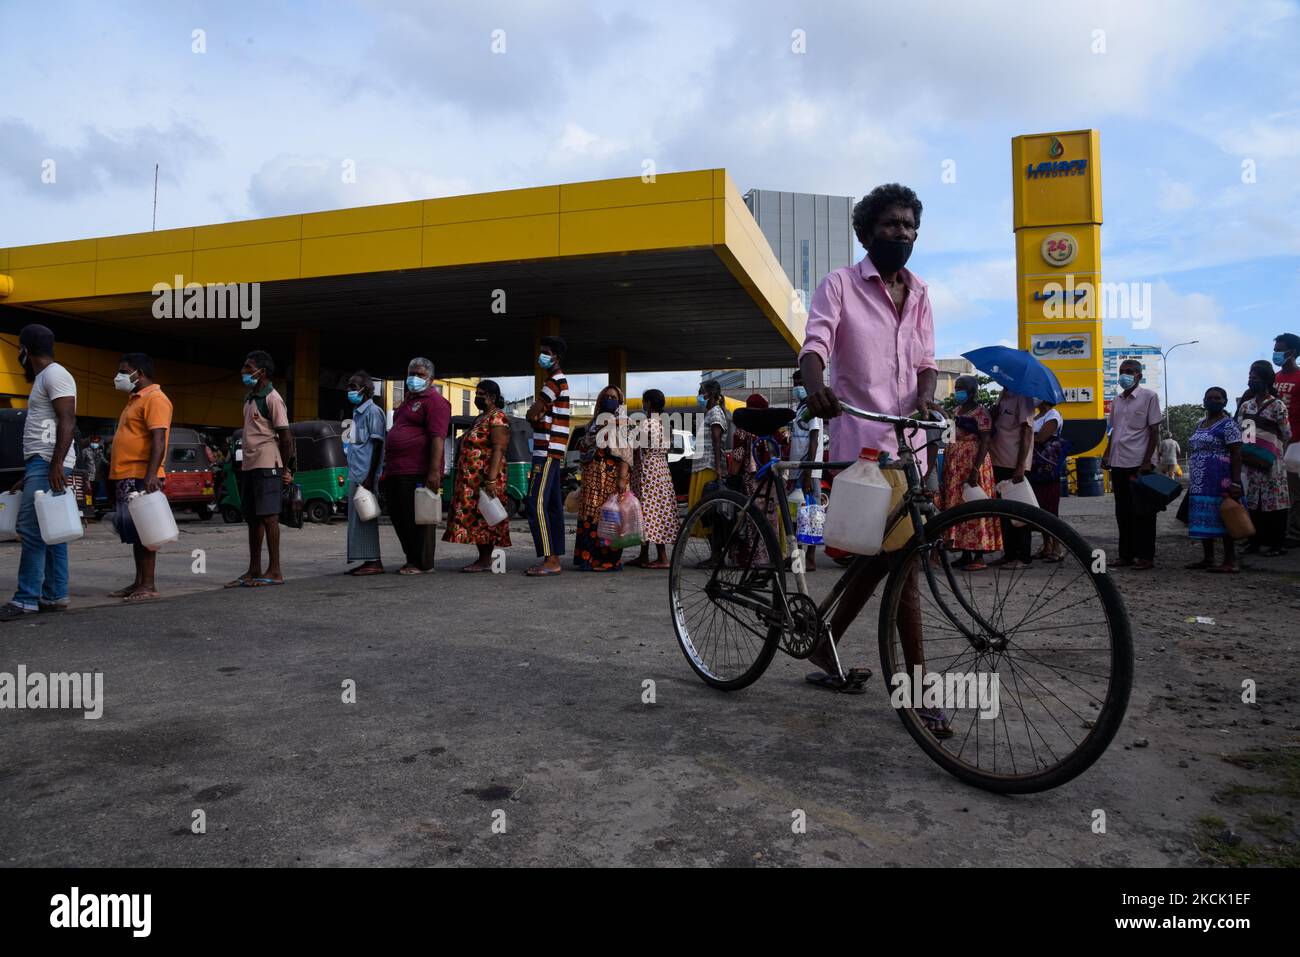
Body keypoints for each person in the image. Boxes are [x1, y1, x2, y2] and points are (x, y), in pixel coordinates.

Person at [798, 183, 944, 728]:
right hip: (861, 443)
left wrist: (926, 398)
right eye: (891, 224)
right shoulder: (839, 285)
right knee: (903, 567)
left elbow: (927, 359)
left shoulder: (922, 292)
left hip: (911, 446)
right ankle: (918, 689)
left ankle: (826, 639)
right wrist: (816, 388)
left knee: (886, 559)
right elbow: (815, 346)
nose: (902, 234)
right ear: (866, 231)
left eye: (909, 225)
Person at [1, 325, 77, 621]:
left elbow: (67, 420)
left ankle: (26, 599)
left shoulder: (55, 375)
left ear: (24, 349)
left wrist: (54, 464)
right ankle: (55, 594)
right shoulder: (46, 378)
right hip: (42, 462)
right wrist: (31, 470)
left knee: (31, 531)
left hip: (48, 462)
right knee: (53, 530)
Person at [106, 354, 173, 602]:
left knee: (147, 531)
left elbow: (159, 438)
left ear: (140, 374)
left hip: (141, 476)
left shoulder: (155, 398)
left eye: (124, 371)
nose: (119, 376)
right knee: (136, 532)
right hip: (128, 474)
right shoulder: (134, 399)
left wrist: (151, 474)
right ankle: (139, 582)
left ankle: (149, 584)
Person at [226, 350, 293, 588]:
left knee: (269, 517)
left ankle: (275, 570)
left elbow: (286, 438)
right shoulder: (249, 398)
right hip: (250, 465)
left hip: (267, 464)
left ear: (261, 372)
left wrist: (284, 469)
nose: (243, 371)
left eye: (248, 367)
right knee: (253, 518)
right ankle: (254, 569)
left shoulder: (272, 398)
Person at [382, 357, 448, 574]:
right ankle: (411, 557)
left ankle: (422, 562)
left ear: (431, 379)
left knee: (419, 517)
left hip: (417, 469)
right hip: (397, 470)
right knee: (400, 516)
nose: (414, 378)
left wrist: (433, 470)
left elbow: (437, 438)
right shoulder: (407, 402)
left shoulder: (435, 402)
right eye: (412, 373)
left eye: (420, 375)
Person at [444, 379, 512, 571]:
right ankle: (483, 558)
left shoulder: (497, 418)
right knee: (476, 517)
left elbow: (499, 449)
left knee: (485, 517)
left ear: (491, 397)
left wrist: (491, 479)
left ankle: (485, 559)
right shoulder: (482, 417)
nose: (476, 398)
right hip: (473, 478)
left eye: (480, 394)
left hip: (485, 477)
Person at [1101, 358, 1162, 570]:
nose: (1124, 375)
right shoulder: (1116, 401)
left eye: (1129, 371)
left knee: (1143, 512)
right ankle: (1125, 555)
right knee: (1123, 511)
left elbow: (1154, 432)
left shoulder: (1149, 397)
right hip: (1119, 462)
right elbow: (1113, 431)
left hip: (1139, 463)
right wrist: (1107, 454)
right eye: (1122, 371)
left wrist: (1147, 461)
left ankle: (1145, 556)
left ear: (1139, 375)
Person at [940, 375, 1000, 570]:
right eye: (957, 387)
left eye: (962, 388)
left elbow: (985, 441)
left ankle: (979, 556)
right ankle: (965, 553)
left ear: (972, 391)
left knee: (975, 504)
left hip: (973, 463)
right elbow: (947, 437)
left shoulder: (981, 413)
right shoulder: (955, 411)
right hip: (955, 466)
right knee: (958, 506)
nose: (958, 391)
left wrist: (975, 469)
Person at [523, 336, 570, 577]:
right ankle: (555, 557)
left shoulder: (553, 382)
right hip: (555, 450)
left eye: (545, 352)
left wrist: (535, 415)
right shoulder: (561, 382)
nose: (541, 355)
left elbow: (532, 413)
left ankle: (550, 559)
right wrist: (537, 415)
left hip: (545, 450)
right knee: (552, 506)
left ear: (556, 357)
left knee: (535, 503)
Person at [1235, 360, 1291, 556]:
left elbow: (1286, 433)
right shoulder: (1246, 406)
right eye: (1250, 377)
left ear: (1266, 380)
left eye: (1255, 378)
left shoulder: (1278, 405)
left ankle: (1276, 544)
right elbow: (1243, 432)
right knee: (1252, 502)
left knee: (1274, 503)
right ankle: (1254, 541)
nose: (1251, 381)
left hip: (1272, 462)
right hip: (1250, 462)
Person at [574, 385, 632, 572]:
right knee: (589, 517)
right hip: (592, 480)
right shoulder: (594, 423)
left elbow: (625, 454)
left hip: (611, 479)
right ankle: (588, 559)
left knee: (610, 518)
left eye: (613, 397)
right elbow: (584, 447)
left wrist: (622, 480)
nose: (609, 399)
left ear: (620, 402)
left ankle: (608, 561)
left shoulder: (622, 423)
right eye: (606, 396)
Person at [1186, 387, 1243, 573]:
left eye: (1217, 398)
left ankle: (1230, 560)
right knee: (1204, 517)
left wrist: (1235, 482)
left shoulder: (1229, 425)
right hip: (1200, 480)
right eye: (1209, 398)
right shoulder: (1200, 423)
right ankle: (1208, 558)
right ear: (1204, 401)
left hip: (1220, 478)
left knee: (1224, 516)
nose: (1213, 401)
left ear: (1225, 402)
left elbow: (1236, 453)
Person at [628, 389, 678, 569]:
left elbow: (634, 447)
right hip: (662, 470)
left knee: (649, 513)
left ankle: (662, 558)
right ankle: (644, 555)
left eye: (644, 401)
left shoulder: (647, 424)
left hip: (648, 471)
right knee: (657, 512)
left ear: (648, 403)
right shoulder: (666, 423)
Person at [344, 371, 386, 576]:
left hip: (366, 476)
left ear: (366, 390)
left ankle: (374, 562)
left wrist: (370, 477)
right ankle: (366, 559)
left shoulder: (373, 412)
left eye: (353, 386)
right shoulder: (357, 413)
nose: (349, 390)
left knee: (366, 519)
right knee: (357, 520)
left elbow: (378, 445)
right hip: (357, 473)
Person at [989, 386, 1035, 568]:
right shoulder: (1003, 395)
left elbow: (1027, 432)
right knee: (1005, 514)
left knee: (1019, 513)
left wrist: (1021, 466)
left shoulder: (1023, 396)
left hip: (1013, 464)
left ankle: (1022, 556)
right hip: (998, 461)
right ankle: (1009, 553)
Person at [787, 369, 822, 572]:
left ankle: (810, 557)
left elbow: (815, 440)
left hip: (809, 471)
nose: (797, 386)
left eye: (801, 382)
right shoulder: (800, 408)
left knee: (811, 514)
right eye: (795, 382)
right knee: (796, 515)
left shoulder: (813, 407)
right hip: (797, 468)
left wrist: (808, 473)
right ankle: (796, 557)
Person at [1028, 398, 1065, 561]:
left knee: (1050, 508)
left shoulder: (1053, 415)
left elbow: (1041, 438)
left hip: (1047, 468)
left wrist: (1025, 436)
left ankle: (1058, 547)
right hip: (1034, 466)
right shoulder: (1035, 416)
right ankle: (1047, 546)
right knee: (1039, 507)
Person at [1272, 333, 1300, 547]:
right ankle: (1280, 531)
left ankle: (1294, 533)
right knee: (1279, 491)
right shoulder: (1274, 378)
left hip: (1296, 444)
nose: (1276, 353)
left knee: (1294, 492)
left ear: (1292, 352)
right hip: (1276, 445)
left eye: (1280, 350)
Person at [81, 435, 108, 511]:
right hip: (88, 476)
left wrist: (111, 464)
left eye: (96, 442)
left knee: (96, 492)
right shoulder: (85, 451)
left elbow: (104, 461)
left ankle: (93, 506)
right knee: (88, 492)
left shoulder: (99, 452)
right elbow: (81, 462)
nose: (95, 443)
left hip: (97, 477)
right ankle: (89, 507)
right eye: (93, 442)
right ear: (90, 442)